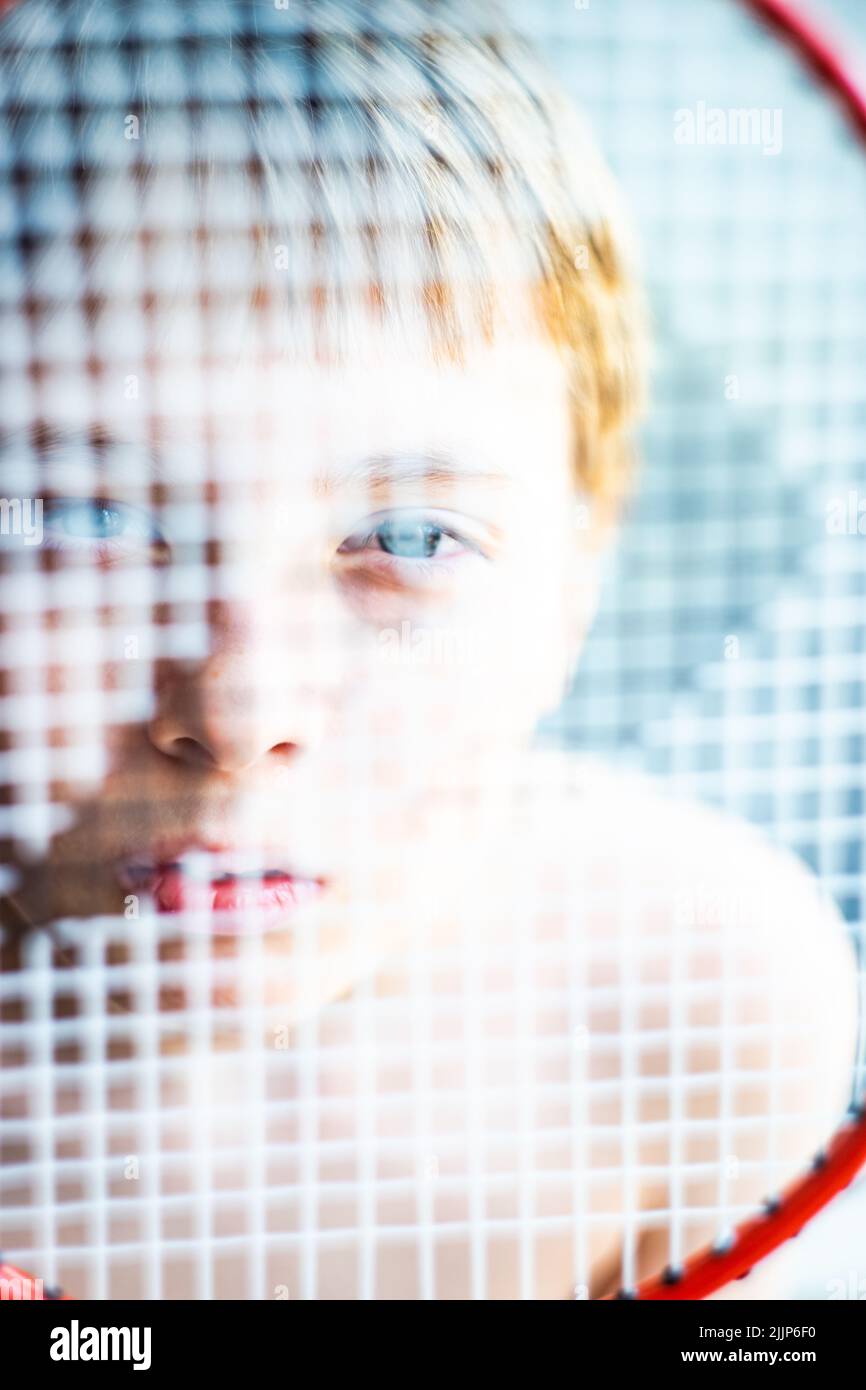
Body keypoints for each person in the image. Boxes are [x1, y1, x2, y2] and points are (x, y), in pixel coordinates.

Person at [0, 0, 856, 1299]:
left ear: (578, 581)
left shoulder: (705, 1011)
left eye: (409, 532)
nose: (241, 711)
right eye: (83, 520)